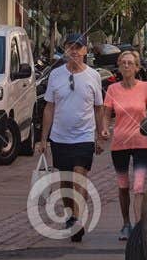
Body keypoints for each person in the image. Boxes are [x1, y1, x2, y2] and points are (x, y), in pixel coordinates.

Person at [36, 34, 106, 242]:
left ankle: (78, 219)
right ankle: (71, 215)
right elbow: (49, 107)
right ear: (65, 50)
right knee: (65, 183)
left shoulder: (93, 76)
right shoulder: (56, 75)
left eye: (78, 47)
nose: (74, 51)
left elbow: (99, 108)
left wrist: (99, 135)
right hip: (60, 137)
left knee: (79, 177)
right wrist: (43, 139)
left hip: (84, 136)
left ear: (85, 51)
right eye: (70, 47)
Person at [102, 50, 147, 240]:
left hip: (141, 142)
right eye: (123, 63)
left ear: (137, 67)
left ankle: (139, 229)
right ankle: (126, 223)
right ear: (118, 66)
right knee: (123, 185)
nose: (126, 66)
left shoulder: (146, 88)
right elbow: (106, 114)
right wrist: (104, 129)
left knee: (139, 186)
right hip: (120, 143)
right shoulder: (112, 90)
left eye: (130, 63)